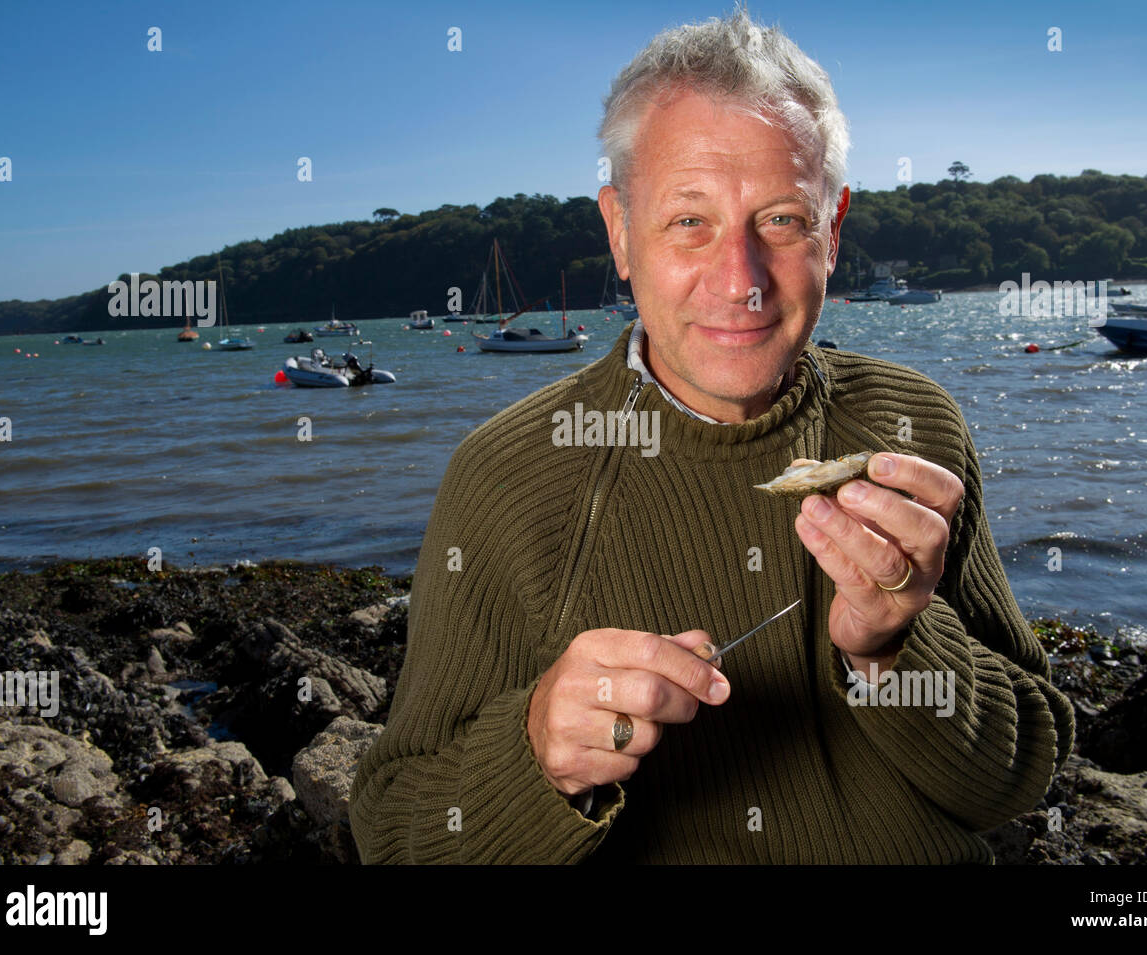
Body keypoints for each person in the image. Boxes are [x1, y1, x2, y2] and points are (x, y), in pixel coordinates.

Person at [350, 5, 1074, 864]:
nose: (741, 282)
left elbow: (1016, 780)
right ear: (620, 231)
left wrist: (890, 653)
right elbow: (395, 832)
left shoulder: (915, 425)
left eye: (782, 220)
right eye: (689, 221)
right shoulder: (504, 477)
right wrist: (538, 752)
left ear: (833, 229)